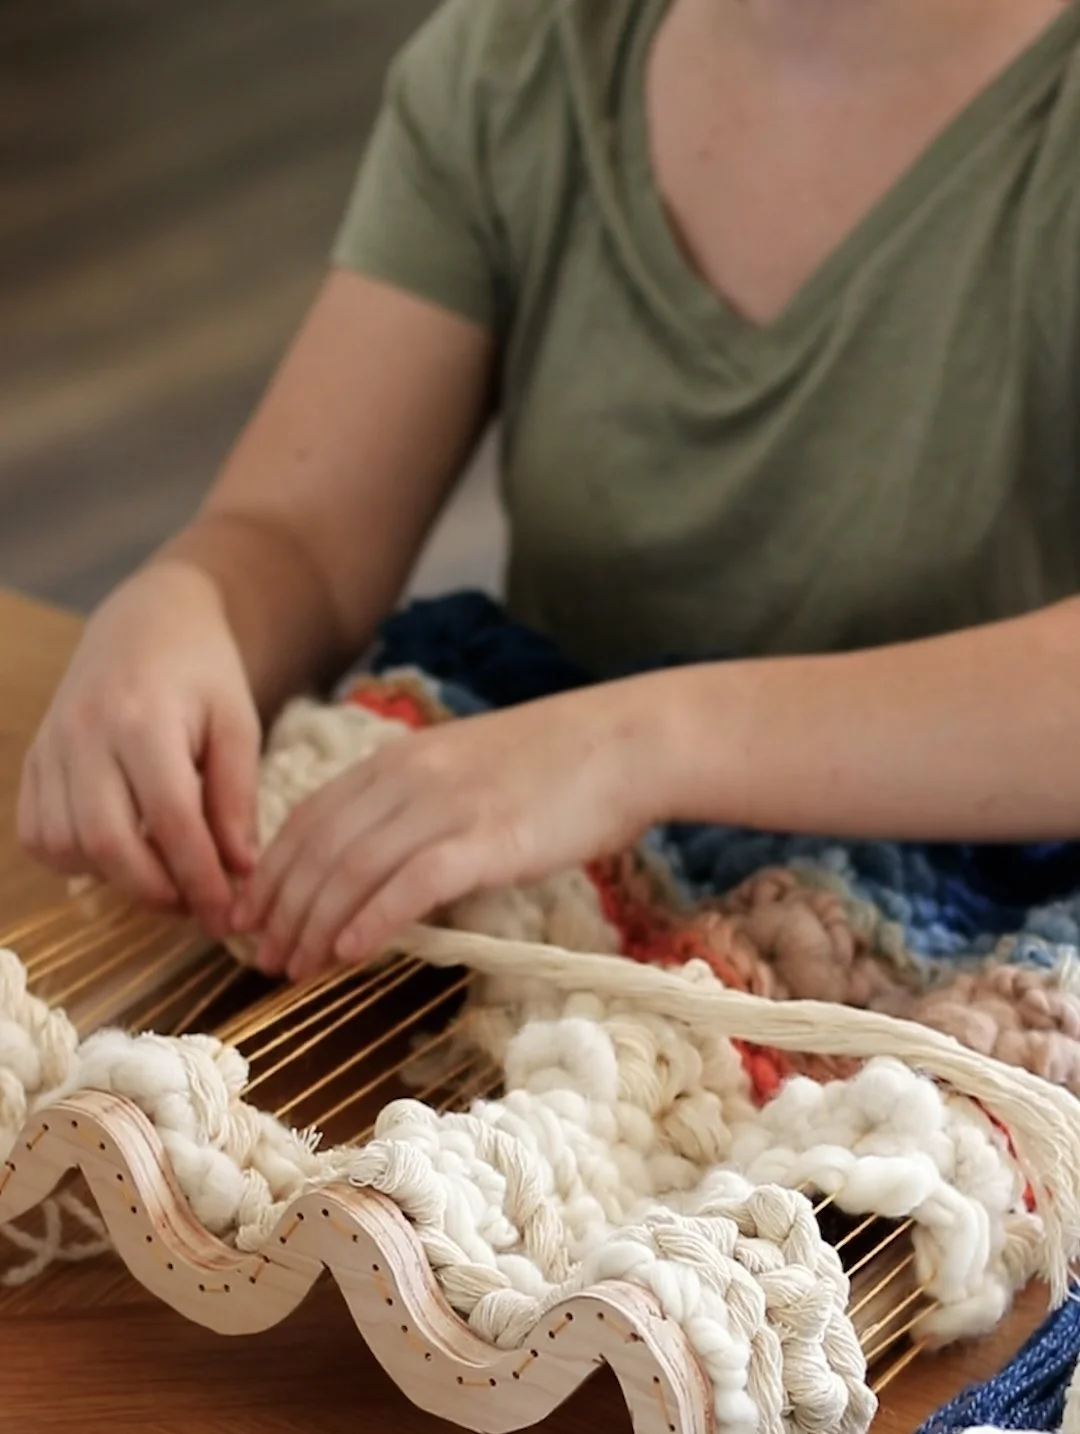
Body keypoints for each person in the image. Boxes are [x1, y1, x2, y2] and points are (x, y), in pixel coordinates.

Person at [18, 0, 1080, 982]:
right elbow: (298, 537)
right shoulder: (520, 55)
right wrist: (185, 604)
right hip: (554, 926)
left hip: (962, 973)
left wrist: (642, 746)